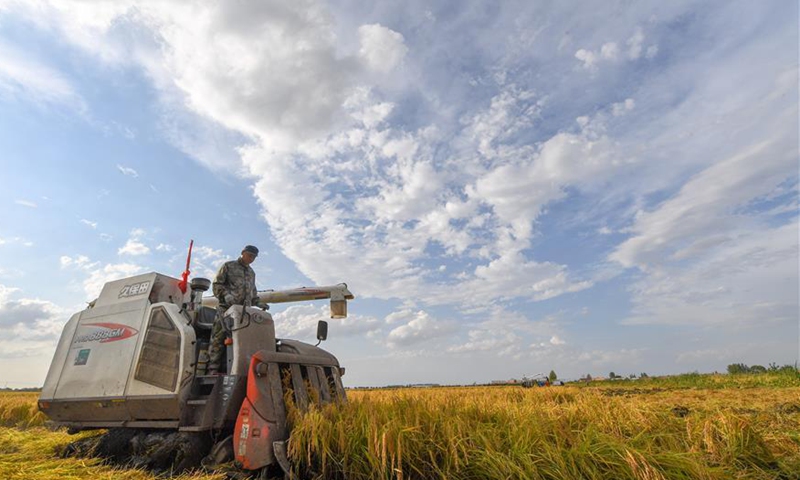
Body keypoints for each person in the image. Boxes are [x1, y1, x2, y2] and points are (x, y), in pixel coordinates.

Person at [207, 245, 259, 375]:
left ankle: (236, 369)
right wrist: (225, 295)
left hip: (243, 314)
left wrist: (258, 302)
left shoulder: (251, 273)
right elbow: (217, 285)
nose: (251, 258)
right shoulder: (228, 266)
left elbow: (253, 293)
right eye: (249, 255)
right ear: (242, 253)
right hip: (226, 310)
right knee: (218, 337)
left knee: (241, 340)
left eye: (254, 257)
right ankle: (212, 369)